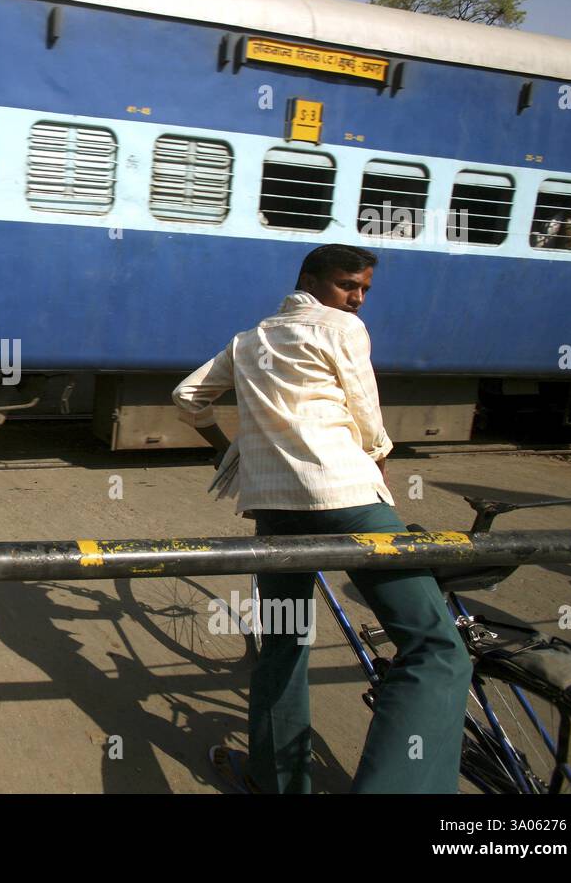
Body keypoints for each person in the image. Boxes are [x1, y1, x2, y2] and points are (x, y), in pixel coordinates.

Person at [172, 244, 472, 794]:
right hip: (348, 497)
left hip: (275, 510)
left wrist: (227, 447)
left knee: (284, 643)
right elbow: (366, 413)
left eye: (363, 289)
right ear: (310, 281)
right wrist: (379, 462)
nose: (356, 298)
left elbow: (188, 395)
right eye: (347, 285)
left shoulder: (247, 341)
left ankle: (277, 782)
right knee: (434, 647)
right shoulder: (340, 328)